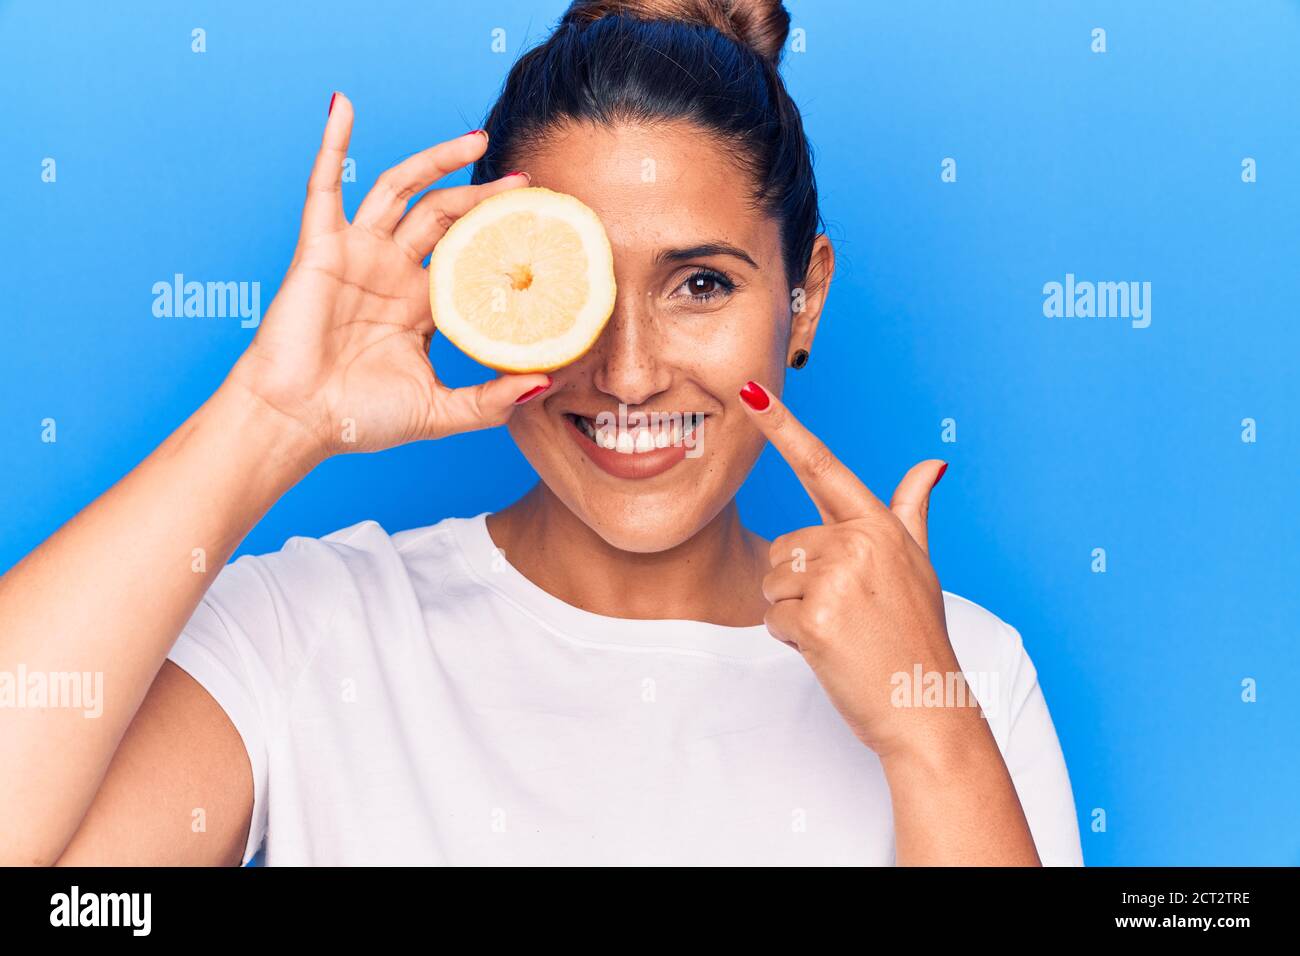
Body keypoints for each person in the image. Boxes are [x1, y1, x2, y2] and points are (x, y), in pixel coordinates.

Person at [0, 0, 1083, 866]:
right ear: (484, 290)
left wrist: (928, 736)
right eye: (577, 289)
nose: (628, 371)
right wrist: (265, 422)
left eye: (700, 282)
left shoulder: (961, 672)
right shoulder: (309, 634)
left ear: (803, 300)